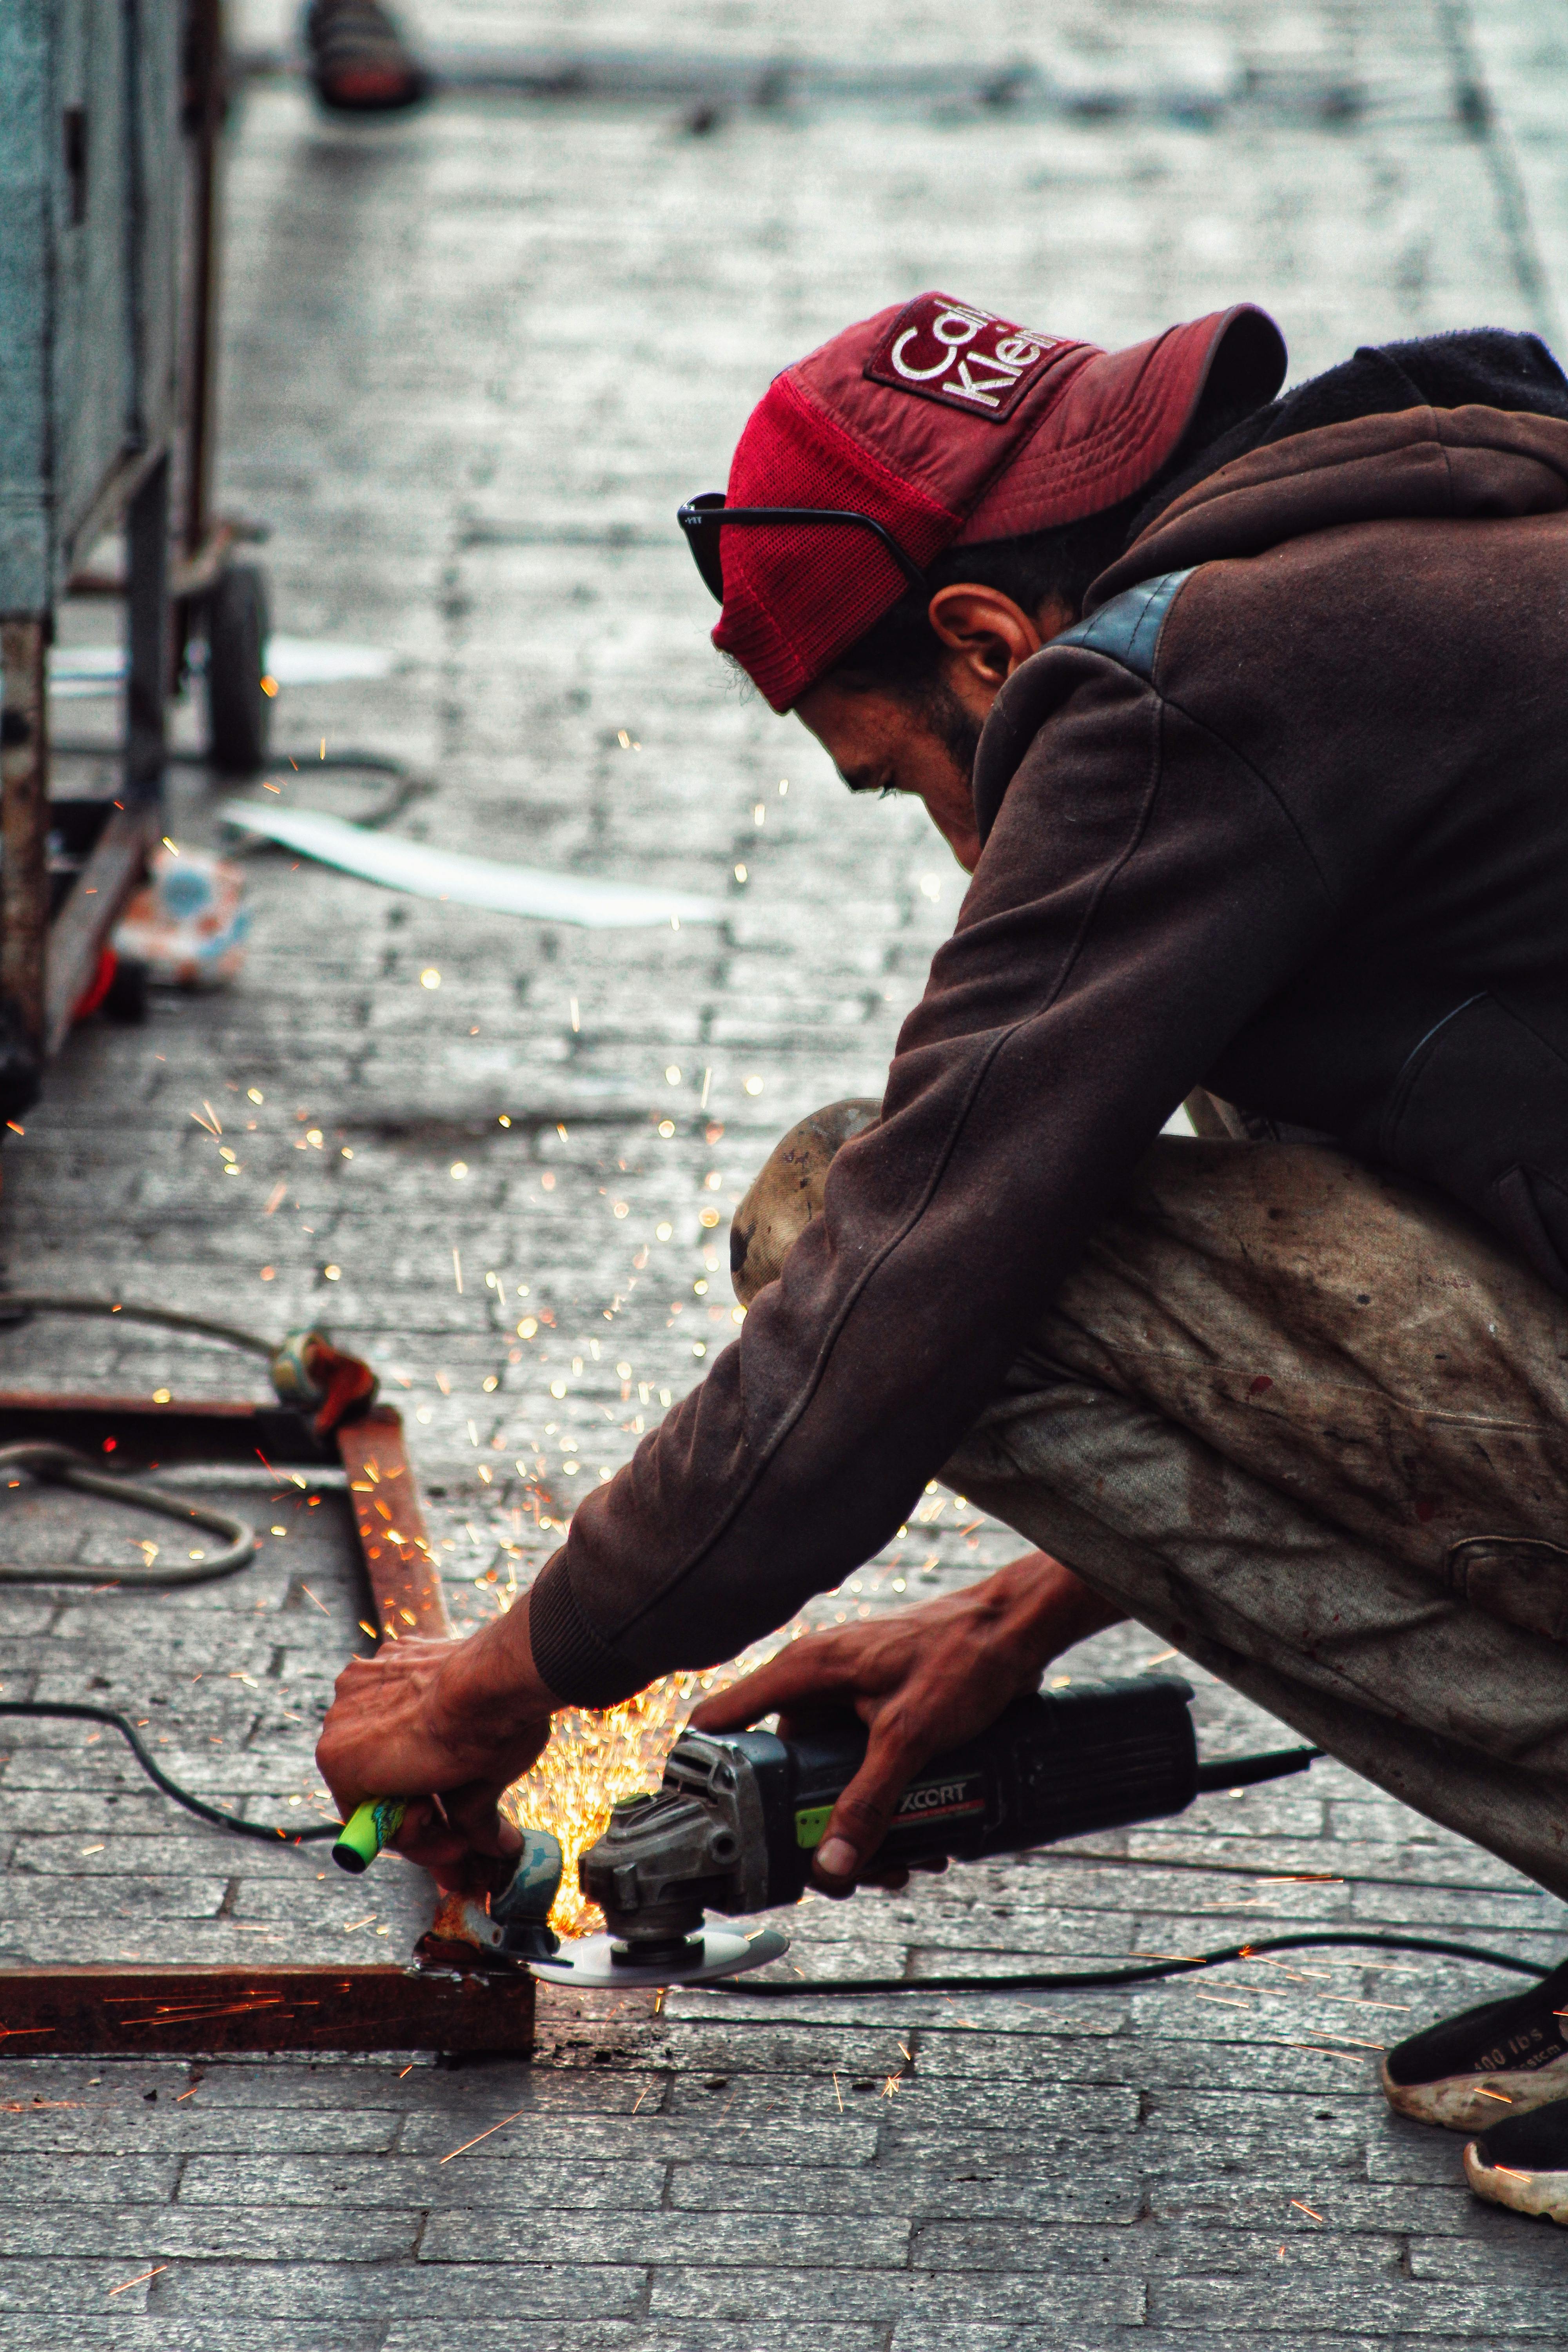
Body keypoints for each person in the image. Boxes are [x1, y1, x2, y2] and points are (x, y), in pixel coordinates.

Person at [319, 292, 1568, 2225]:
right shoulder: (1427, 533)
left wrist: (511, 1678)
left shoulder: (1185, 678)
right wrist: (1030, 1609)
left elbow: (905, 1269)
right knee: (1209, 1072)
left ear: (986, 641)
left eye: (906, 777)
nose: (951, 842)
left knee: (858, 1210)